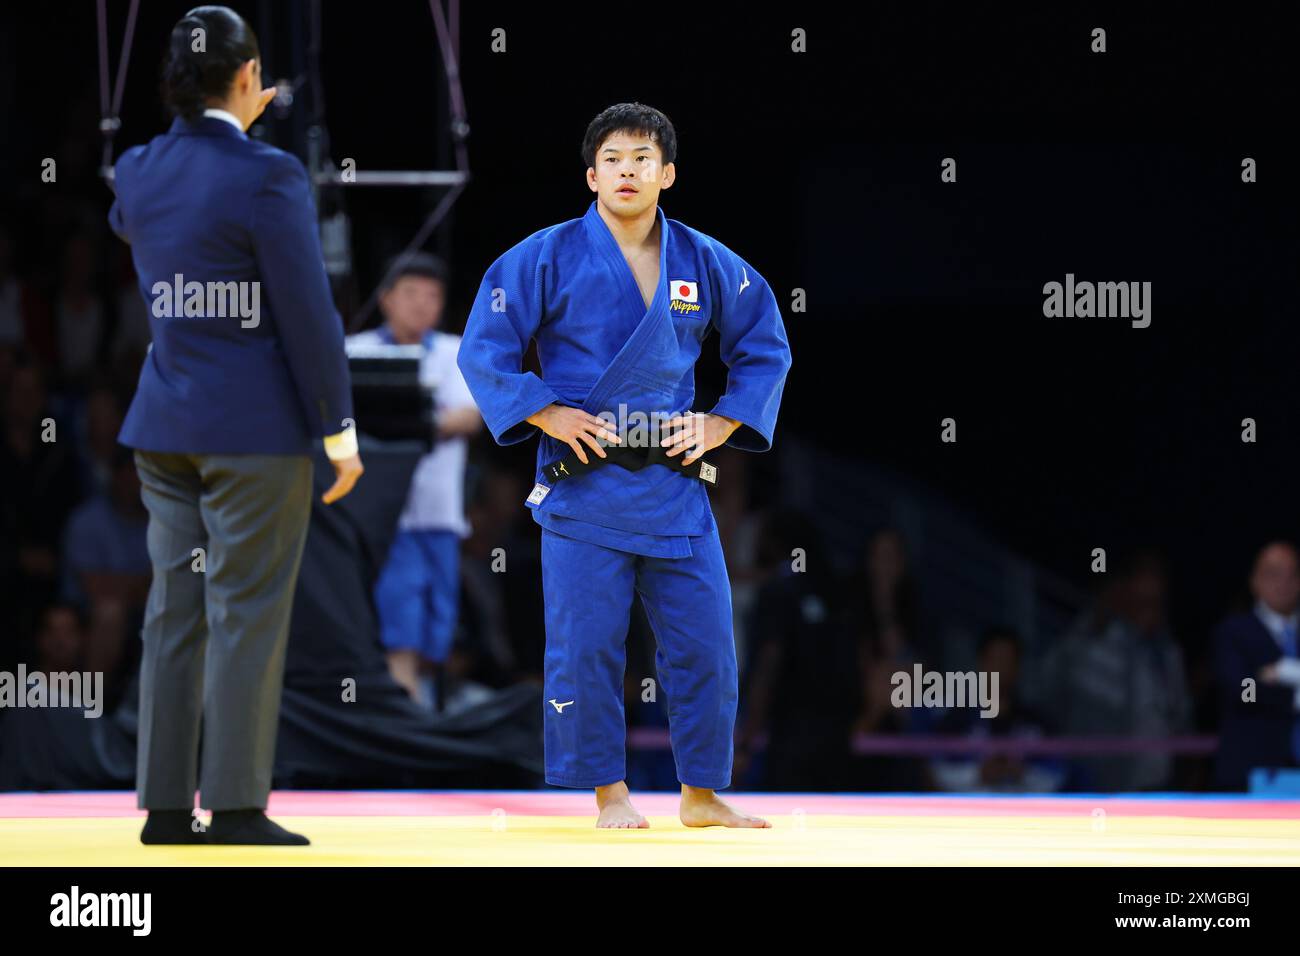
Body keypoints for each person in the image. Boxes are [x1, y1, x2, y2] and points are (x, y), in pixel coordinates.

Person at [458, 103, 792, 828]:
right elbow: (483, 346)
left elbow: (764, 341)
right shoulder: (545, 255)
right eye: (613, 158)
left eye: (643, 158)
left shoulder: (704, 260)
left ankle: (701, 795)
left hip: (675, 484)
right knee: (587, 650)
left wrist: (722, 420)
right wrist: (545, 410)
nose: (628, 170)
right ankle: (610, 793)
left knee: (706, 647)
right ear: (591, 174)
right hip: (584, 486)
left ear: (667, 174)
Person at [108, 6, 362, 845]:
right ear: (250, 78)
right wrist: (338, 427)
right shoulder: (271, 175)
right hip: (252, 430)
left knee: (174, 611)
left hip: (164, 423)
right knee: (245, 609)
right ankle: (240, 806)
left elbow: (132, 221)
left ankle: (168, 810)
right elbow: (308, 314)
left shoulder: (137, 168)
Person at [347, 253, 481, 707]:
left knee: (439, 628)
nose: (423, 305)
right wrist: (421, 419)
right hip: (386, 519)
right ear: (386, 299)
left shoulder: (454, 350)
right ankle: (403, 717)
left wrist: (404, 420)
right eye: (411, 294)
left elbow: (470, 417)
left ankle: (427, 714)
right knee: (398, 623)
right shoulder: (356, 350)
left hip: (440, 516)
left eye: (433, 296)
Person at [1213, 541, 1300, 790]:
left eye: (1292, 574)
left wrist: (1282, 673)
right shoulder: (1234, 632)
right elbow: (1243, 690)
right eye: (1273, 574)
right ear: (1254, 581)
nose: (1284, 583)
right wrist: (1294, 697)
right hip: (1253, 774)